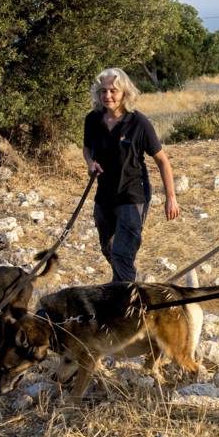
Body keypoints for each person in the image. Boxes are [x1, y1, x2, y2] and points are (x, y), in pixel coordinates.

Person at [82, 68, 180, 282]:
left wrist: (170, 198)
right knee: (108, 248)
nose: (107, 96)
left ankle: (128, 304)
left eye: (113, 91)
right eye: (103, 91)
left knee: (122, 254)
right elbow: (87, 148)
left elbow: (162, 160)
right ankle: (127, 283)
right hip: (105, 193)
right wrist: (91, 163)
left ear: (124, 93)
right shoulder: (92, 119)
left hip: (133, 194)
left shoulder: (139, 123)